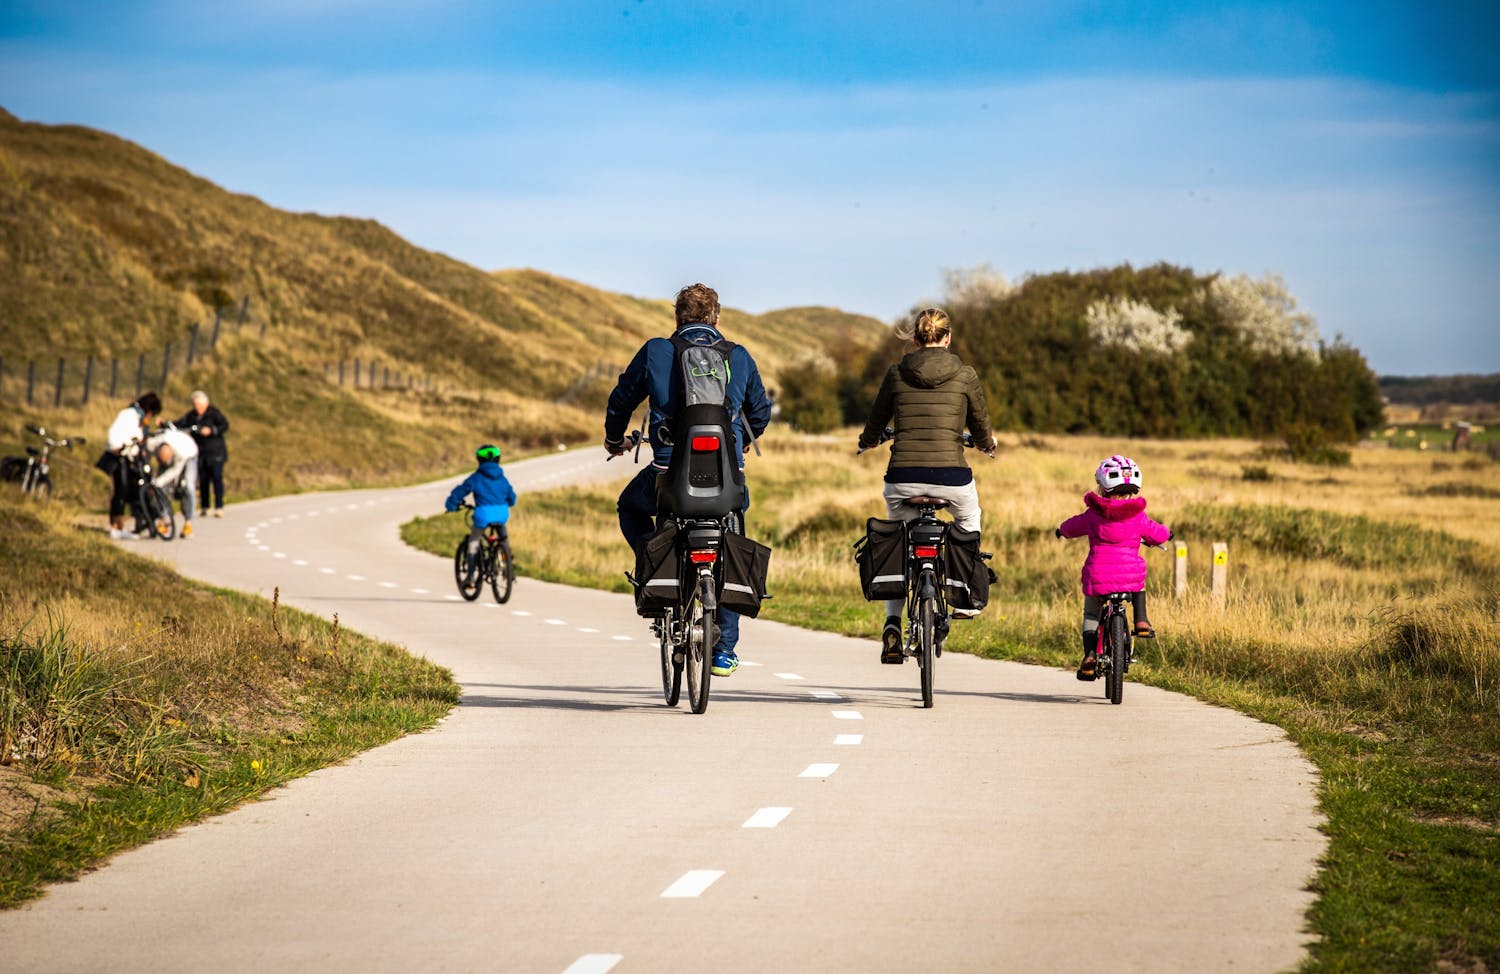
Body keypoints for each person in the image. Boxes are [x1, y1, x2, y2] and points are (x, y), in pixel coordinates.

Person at [603, 283, 772, 677]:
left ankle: (657, 569)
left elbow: (621, 399)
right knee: (729, 542)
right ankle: (725, 650)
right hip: (725, 480)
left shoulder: (657, 351)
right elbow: (760, 413)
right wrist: (740, 443)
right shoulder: (738, 355)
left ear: (677, 318)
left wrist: (615, 439)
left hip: (668, 478)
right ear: (717, 318)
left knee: (629, 506)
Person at [858, 307, 996, 664]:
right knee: (969, 520)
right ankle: (967, 590)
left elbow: (876, 420)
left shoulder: (896, 373)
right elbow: (980, 423)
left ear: (916, 339)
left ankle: (891, 624)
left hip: (903, 477)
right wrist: (985, 444)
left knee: (898, 541)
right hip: (952, 477)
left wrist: (869, 440)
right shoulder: (965, 374)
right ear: (947, 338)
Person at [1055, 455, 1171, 681]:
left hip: (1098, 575)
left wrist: (1061, 530)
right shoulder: (1138, 515)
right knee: (1138, 580)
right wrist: (1168, 534)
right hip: (1129, 577)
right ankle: (1141, 620)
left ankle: (1089, 656)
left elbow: (1071, 526)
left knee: (1091, 613)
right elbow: (1157, 533)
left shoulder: (1092, 514)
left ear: (1102, 486)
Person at [444, 444, 518, 582]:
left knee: (474, 541)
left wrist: (451, 505)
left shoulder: (476, 478)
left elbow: (460, 491)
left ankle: (471, 576)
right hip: (502, 513)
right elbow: (512, 498)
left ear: (479, 459)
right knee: (503, 538)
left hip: (483, 514)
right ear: (498, 459)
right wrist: (509, 503)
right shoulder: (502, 478)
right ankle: (508, 566)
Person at [103, 392, 162, 539]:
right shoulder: (128, 415)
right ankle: (116, 527)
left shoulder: (138, 417)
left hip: (131, 458)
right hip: (119, 457)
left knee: (134, 490)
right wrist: (118, 447)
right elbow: (114, 433)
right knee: (121, 491)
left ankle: (142, 521)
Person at [176, 390, 230, 517]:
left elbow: (225, 425)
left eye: (199, 406)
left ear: (205, 404)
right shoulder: (192, 416)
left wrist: (211, 430)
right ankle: (205, 506)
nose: (197, 408)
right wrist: (165, 424)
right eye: (195, 406)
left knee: (216, 478)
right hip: (200, 453)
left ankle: (219, 506)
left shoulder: (214, 413)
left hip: (216, 452)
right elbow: (181, 423)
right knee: (203, 480)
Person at [146, 424, 200, 539]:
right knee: (161, 488)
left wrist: (157, 483)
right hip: (169, 448)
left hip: (190, 455)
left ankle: (188, 523)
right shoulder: (153, 444)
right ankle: (164, 518)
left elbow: (174, 472)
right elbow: (146, 455)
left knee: (188, 486)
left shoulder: (182, 453)